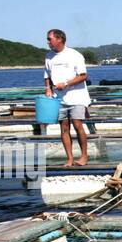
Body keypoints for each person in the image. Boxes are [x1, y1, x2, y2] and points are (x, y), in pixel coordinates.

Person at [43, 29, 92, 166]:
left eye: (50, 39)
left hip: (77, 97)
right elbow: (47, 76)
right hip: (59, 99)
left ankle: (84, 156)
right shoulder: (48, 57)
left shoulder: (74, 55)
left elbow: (83, 76)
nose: (48, 42)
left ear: (59, 39)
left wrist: (66, 84)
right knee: (64, 128)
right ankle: (69, 158)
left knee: (77, 125)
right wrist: (48, 89)